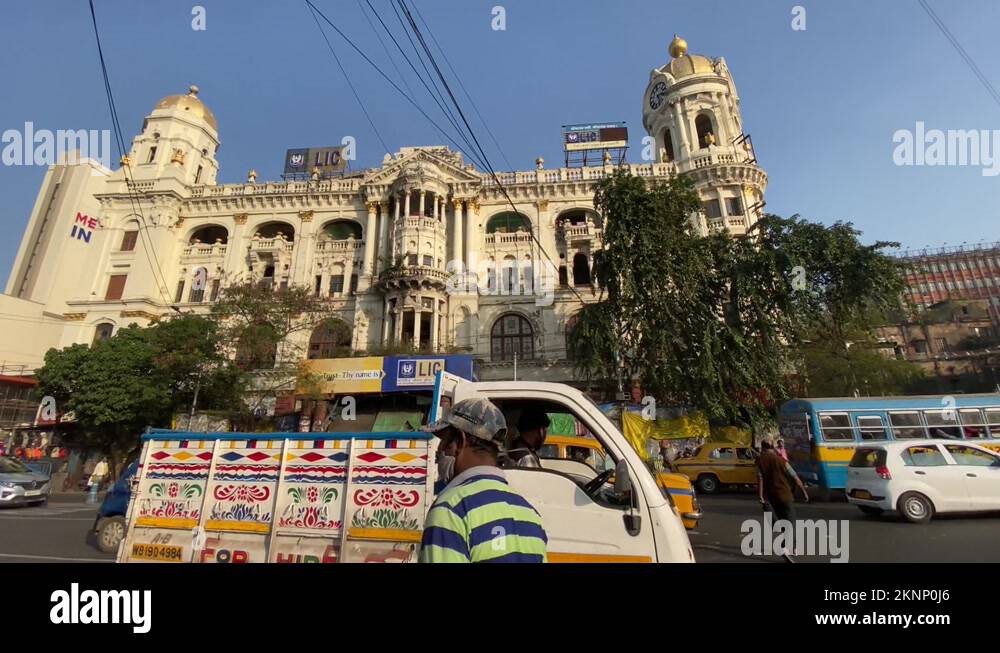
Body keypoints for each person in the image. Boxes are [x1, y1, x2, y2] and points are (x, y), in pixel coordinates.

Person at [420, 398, 547, 563]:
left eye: (445, 442)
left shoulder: (450, 511)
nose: (441, 451)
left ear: (461, 440)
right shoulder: (530, 514)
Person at [757, 437, 808, 562]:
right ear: (772, 447)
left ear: (763, 448)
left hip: (771, 497)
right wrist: (804, 492)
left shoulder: (759, 460)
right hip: (785, 495)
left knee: (783, 523)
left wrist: (761, 496)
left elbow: (760, 478)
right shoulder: (781, 460)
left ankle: (790, 546)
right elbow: (794, 476)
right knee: (791, 523)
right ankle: (784, 547)